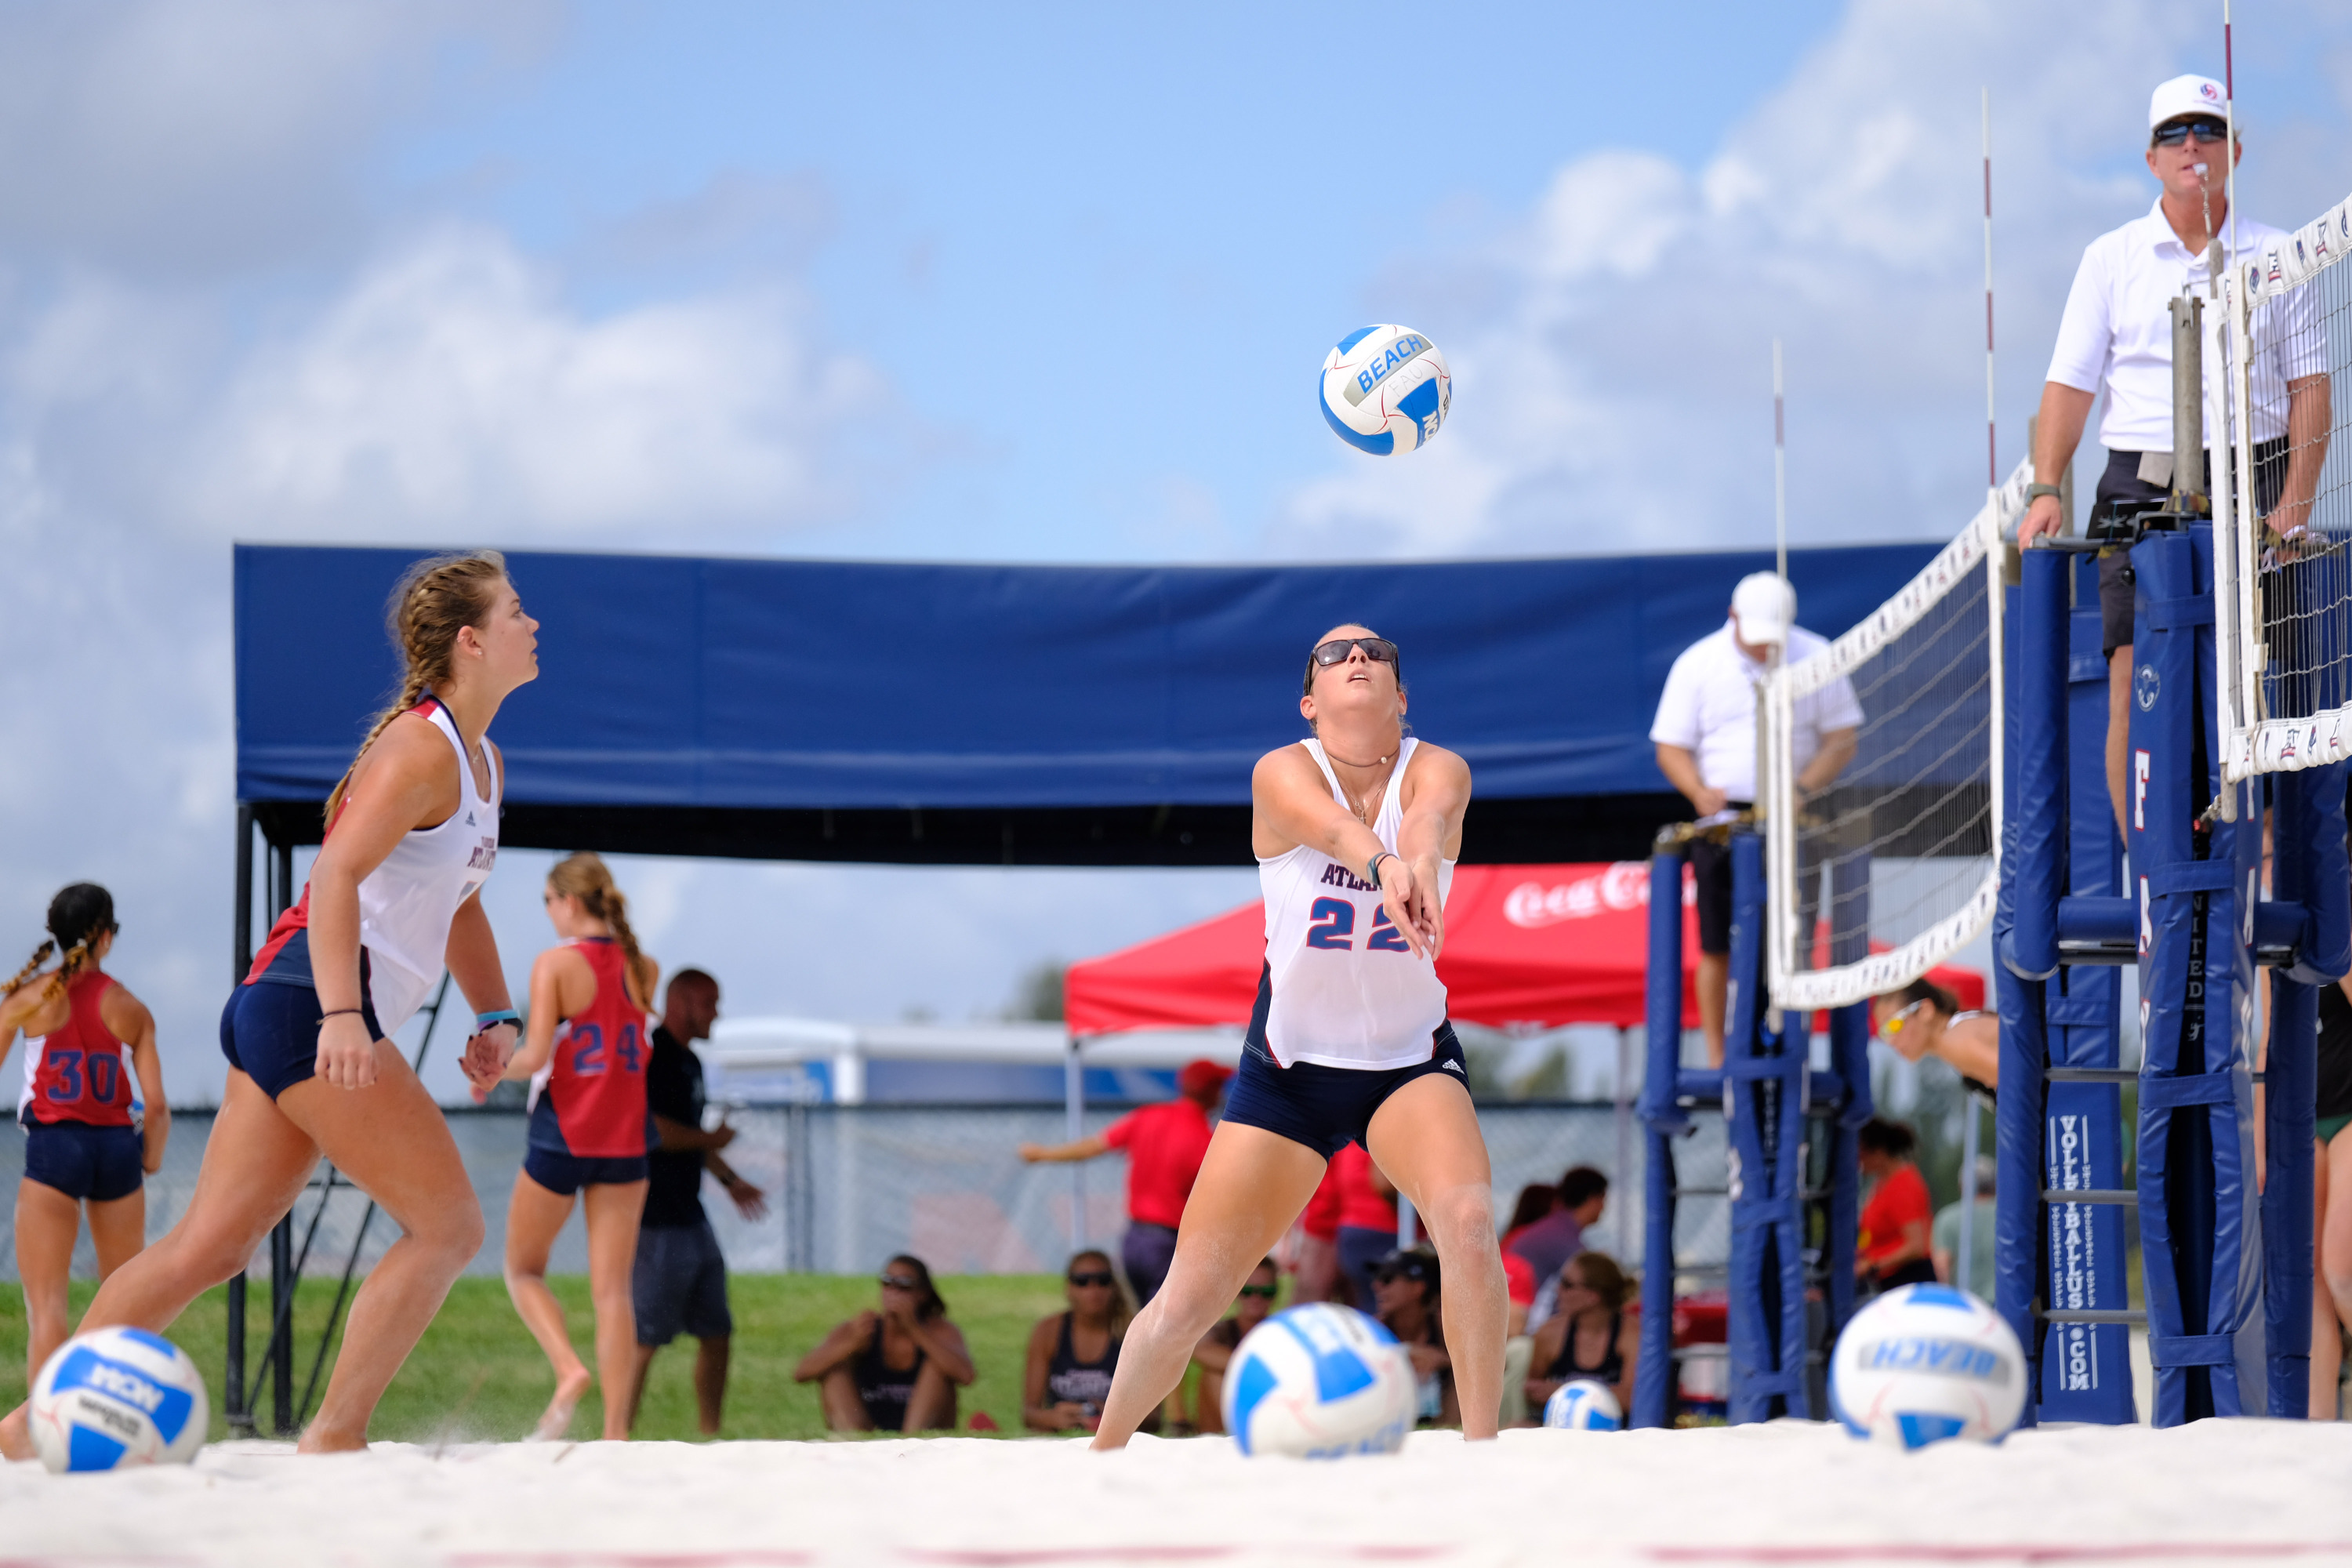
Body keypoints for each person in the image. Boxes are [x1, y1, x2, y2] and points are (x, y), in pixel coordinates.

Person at [0, 551, 532, 1460]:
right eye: (516, 610)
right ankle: (334, 1436)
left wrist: (492, 1015)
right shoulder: (419, 746)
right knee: (450, 1224)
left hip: (288, 1001)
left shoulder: (481, 761)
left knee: (209, 1247)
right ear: (471, 640)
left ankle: (21, 1431)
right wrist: (340, 1016)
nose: (533, 624)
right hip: (306, 1000)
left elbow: (462, 900)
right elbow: (333, 877)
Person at [1087, 624, 1506, 1450]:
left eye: (1377, 652)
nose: (1358, 658)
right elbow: (1334, 831)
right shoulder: (1282, 772)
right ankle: (1102, 1454)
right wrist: (1387, 867)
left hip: (1406, 1063)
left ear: (1402, 695)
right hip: (1288, 1071)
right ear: (1311, 702)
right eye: (1335, 654)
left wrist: (1417, 862)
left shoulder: (1438, 765)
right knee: (1187, 1300)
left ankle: (1482, 1448)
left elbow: (1429, 817)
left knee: (1466, 1224)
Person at [2016, 74, 2331, 836]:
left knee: (2254, 684)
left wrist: (2291, 510)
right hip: (2140, 488)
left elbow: (2314, 390)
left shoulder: (2280, 254)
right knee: (2135, 677)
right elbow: (2067, 387)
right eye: (2175, 134)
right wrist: (2045, 486)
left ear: (2235, 151)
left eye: (2208, 129)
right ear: (2151, 159)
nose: (2193, 144)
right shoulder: (2112, 258)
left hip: (2253, 482)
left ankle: (2249, 875)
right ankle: (2151, 874)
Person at [1652, 574, 1860, 1065]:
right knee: (1714, 942)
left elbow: (1843, 738)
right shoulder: (1699, 663)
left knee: (1794, 943)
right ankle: (1719, 1055)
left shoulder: (1816, 654)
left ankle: (1794, 1051)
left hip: (1794, 822)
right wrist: (1698, 792)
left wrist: (1802, 789)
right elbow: (1669, 746)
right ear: (1733, 617)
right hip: (1722, 824)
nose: (1767, 646)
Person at [494, 853, 657, 1442]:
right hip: (625, 1138)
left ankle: (567, 1369)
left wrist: (490, 1072)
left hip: (565, 1131)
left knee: (522, 1268)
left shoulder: (554, 965)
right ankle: (616, 1434)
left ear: (569, 902)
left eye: (546, 901)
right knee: (614, 1291)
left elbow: (535, 1056)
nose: (546, 913)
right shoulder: (645, 966)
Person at [0, 885, 168, 1384]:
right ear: (106, 939)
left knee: (47, 1309)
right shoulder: (129, 1006)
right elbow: (156, 1106)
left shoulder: (27, 999)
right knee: (123, 1302)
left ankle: (42, 1428)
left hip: (54, 1146)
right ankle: (119, 1414)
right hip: (116, 1147)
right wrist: (150, 1161)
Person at [626, 967, 766, 1437]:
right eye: (710, 1003)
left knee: (717, 1329)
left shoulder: (693, 1064)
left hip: (692, 1214)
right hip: (655, 1218)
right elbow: (653, 1130)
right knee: (644, 1336)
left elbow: (692, 1140)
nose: (717, 1015)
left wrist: (731, 1180)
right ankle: (616, 1433)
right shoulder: (655, 1057)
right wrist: (711, 1137)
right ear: (682, 1003)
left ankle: (711, 1432)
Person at [1018, 1058, 1232, 1307]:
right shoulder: (1205, 1140)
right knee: (1168, 1328)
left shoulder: (1148, 1117)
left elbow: (1094, 1146)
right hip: (1169, 1245)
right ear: (1212, 1091)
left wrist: (1043, 1154)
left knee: (1141, 1322)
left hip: (1133, 1240)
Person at [795, 1254, 974, 1433]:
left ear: (922, 1294)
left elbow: (966, 1376)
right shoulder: (863, 1329)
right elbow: (802, 1373)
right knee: (834, 1368)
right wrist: (851, 1345)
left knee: (938, 1365)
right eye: (887, 1281)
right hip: (866, 1427)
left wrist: (916, 1331)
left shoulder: (939, 1330)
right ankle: (854, 1441)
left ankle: (912, 1439)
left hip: (922, 1429)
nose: (893, 1290)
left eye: (904, 1284)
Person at [1022, 1248, 1135, 1434]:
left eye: (1103, 1280)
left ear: (1114, 1287)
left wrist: (1111, 1416)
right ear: (1069, 1288)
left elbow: (1154, 1418)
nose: (1093, 1289)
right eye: (1082, 1281)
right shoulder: (1048, 1332)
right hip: (1060, 1441)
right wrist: (1055, 1418)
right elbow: (1029, 1413)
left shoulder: (1131, 1334)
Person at [2309, 967, 2352, 1419]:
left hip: (2350, 1113)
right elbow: (2268, 1044)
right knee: (2309, 1293)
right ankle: (2315, 1437)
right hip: (2302, 1112)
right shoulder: (2270, 919)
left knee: (2342, 1267)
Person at [1525, 1250, 1639, 1420]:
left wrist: (1560, 1390)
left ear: (1592, 1296)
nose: (1558, 1290)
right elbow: (1532, 1392)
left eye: (1567, 1284)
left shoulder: (1632, 1333)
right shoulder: (1550, 1333)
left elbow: (1632, 1399)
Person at [1189, 1257, 1279, 1434]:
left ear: (1275, 1292)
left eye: (1266, 1291)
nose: (1256, 1298)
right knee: (1213, 1377)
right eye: (1247, 1291)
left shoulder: (1279, 1331)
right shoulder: (1225, 1329)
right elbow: (1197, 1348)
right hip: (1229, 1416)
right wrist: (1253, 1368)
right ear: (1236, 1292)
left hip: (1271, 1410)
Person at [1372, 1246, 1457, 1428]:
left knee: (1460, 1376)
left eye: (1387, 1279)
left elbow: (1490, 1362)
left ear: (1417, 1288)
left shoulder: (1442, 1322)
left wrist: (1442, 1359)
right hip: (1390, 1418)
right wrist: (1404, 1353)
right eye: (1377, 1278)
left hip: (1442, 1414)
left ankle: (1450, 1430)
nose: (1376, 1286)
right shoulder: (1375, 1327)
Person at [1873, 978, 1998, 1094]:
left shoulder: (1955, 1041)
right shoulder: (1958, 1031)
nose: (1891, 1040)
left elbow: (2015, 1080)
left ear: (1925, 1010)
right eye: (1884, 1033)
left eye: (1893, 1025)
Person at [1856, 1117, 1936, 1292]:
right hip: (1889, 1282)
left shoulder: (1903, 1186)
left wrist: (1873, 1266)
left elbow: (1916, 1246)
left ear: (1879, 1153)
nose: (1859, 1162)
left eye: (1863, 1155)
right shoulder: (1880, 1184)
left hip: (1909, 1281)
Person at [1509, 1166, 1608, 1289]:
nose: (1603, 1208)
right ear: (1593, 1199)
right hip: (1523, 1304)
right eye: (1603, 1200)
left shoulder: (1554, 1227)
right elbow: (1594, 1282)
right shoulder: (1562, 1236)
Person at [1331, 1139, 1399, 1305]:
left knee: (1368, 1303)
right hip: (1384, 1228)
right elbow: (1386, 1185)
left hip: (1351, 1227)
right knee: (1384, 1308)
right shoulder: (1384, 1119)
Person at [1933, 1157, 1997, 1299]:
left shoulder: (1947, 1218)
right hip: (2004, 1310)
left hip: (1969, 1308)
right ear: (1995, 1184)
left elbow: (1942, 1270)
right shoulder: (2010, 1217)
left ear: (1962, 1186)